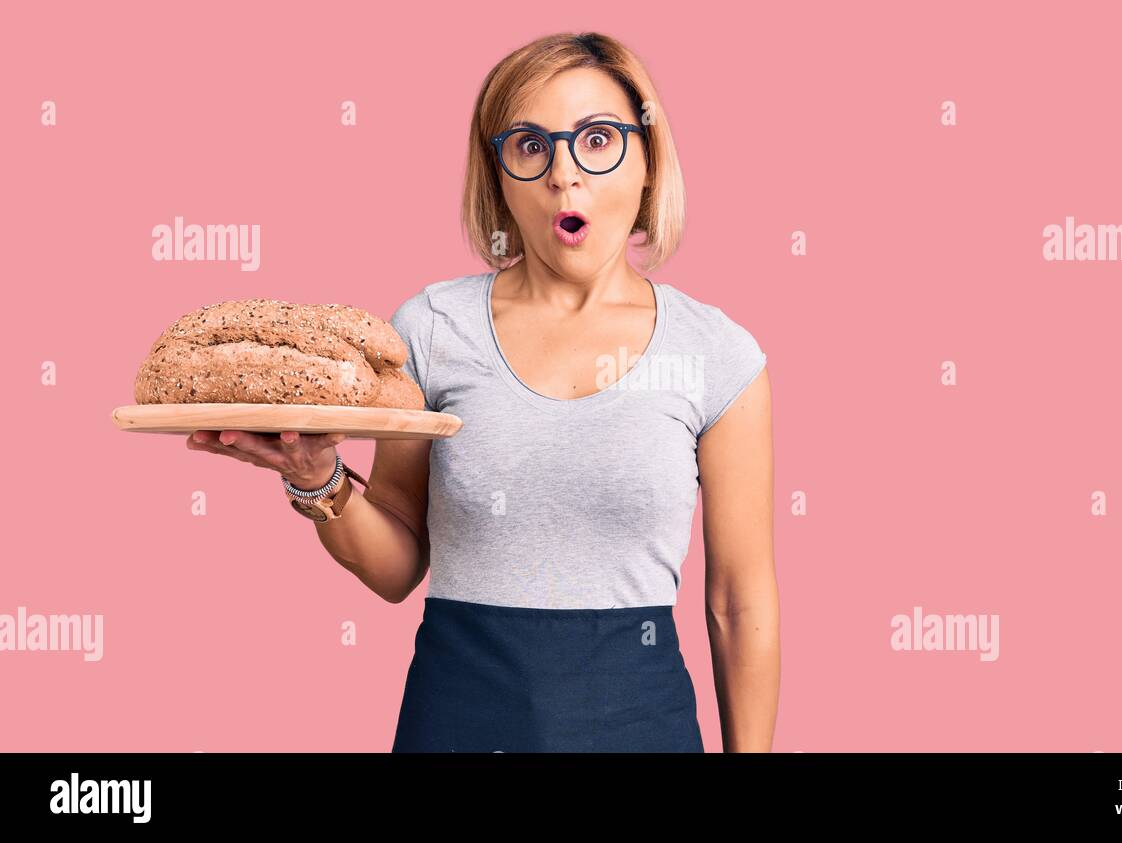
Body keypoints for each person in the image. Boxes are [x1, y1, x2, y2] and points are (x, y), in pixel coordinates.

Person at [186, 31, 778, 752]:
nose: (565, 174)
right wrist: (319, 480)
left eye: (598, 139)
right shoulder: (433, 328)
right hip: (456, 726)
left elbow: (739, 604)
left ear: (649, 160)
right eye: (530, 146)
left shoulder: (717, 354)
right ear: (498, 175)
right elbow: (399, 564)